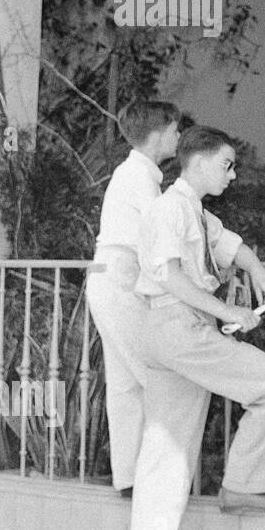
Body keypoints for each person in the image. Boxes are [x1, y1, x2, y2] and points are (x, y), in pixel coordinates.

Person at [129, 125, 265, 530]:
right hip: (178, 327)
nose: (233, 173)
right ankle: (246, 483)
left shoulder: (195, 213)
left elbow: (233, 247)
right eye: (227, 164)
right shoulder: (170, 208)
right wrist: (228, 311)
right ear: (199, 161)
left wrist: (258, 269)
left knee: (166, 451)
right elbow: (169, 275)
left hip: (170, 333)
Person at [85, 100, 181, 497]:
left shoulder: (138, 174)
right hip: (118, 283)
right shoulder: (138, 177)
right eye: (175, 130)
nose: (178, 137)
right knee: (153, 379)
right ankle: (153, 479)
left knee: (126, 385)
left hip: (113, 283)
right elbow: (161, 235)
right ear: (158, 134)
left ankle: (129, 478)